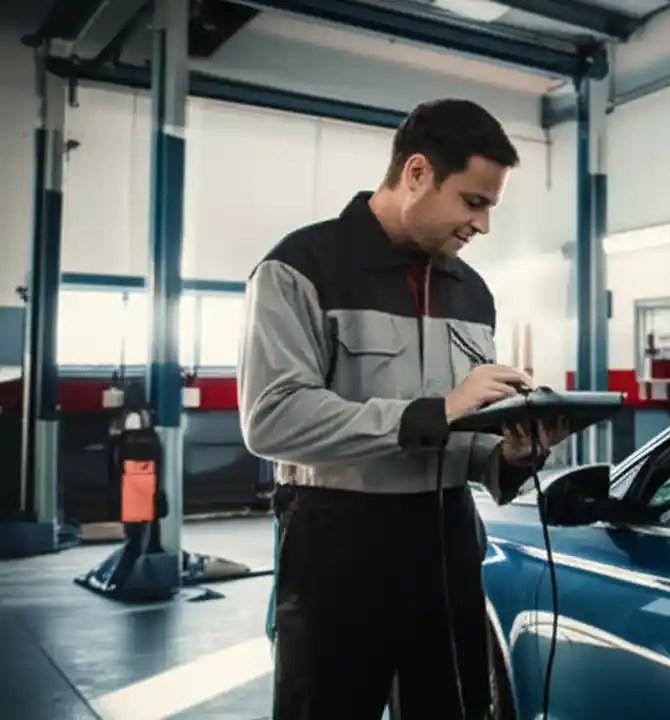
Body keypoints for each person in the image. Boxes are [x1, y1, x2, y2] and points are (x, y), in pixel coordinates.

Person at [237, 99, 569, 719]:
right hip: (337, 546)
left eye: (491, 206)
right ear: (416, 173)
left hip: (447, 543)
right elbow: (272, 417)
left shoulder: (472, 292)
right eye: (474, 201)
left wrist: (511, 454)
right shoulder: (300, 268)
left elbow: (462, 439)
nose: (483, 225)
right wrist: (435, 411)